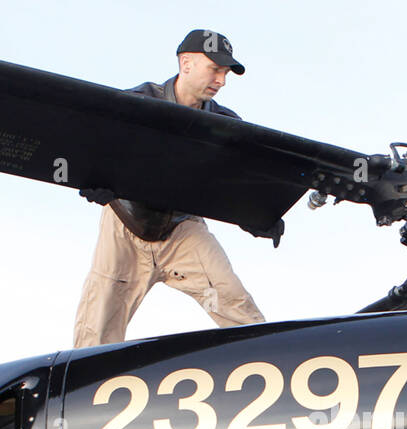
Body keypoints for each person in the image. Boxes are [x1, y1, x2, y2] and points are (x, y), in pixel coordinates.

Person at [72, 29, 271, 348]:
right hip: (126, 226)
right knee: (99, 320)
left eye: (225, 74)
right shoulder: (137, 103)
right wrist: (92, 177)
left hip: (183, 230)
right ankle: (83, 385)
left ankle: (265, 357)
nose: (221, 81)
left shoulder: (226, 125)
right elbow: (91, 143)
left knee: (231, 297)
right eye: (215, 70)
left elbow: (240, 178)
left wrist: (259, 213)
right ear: (186, 63)